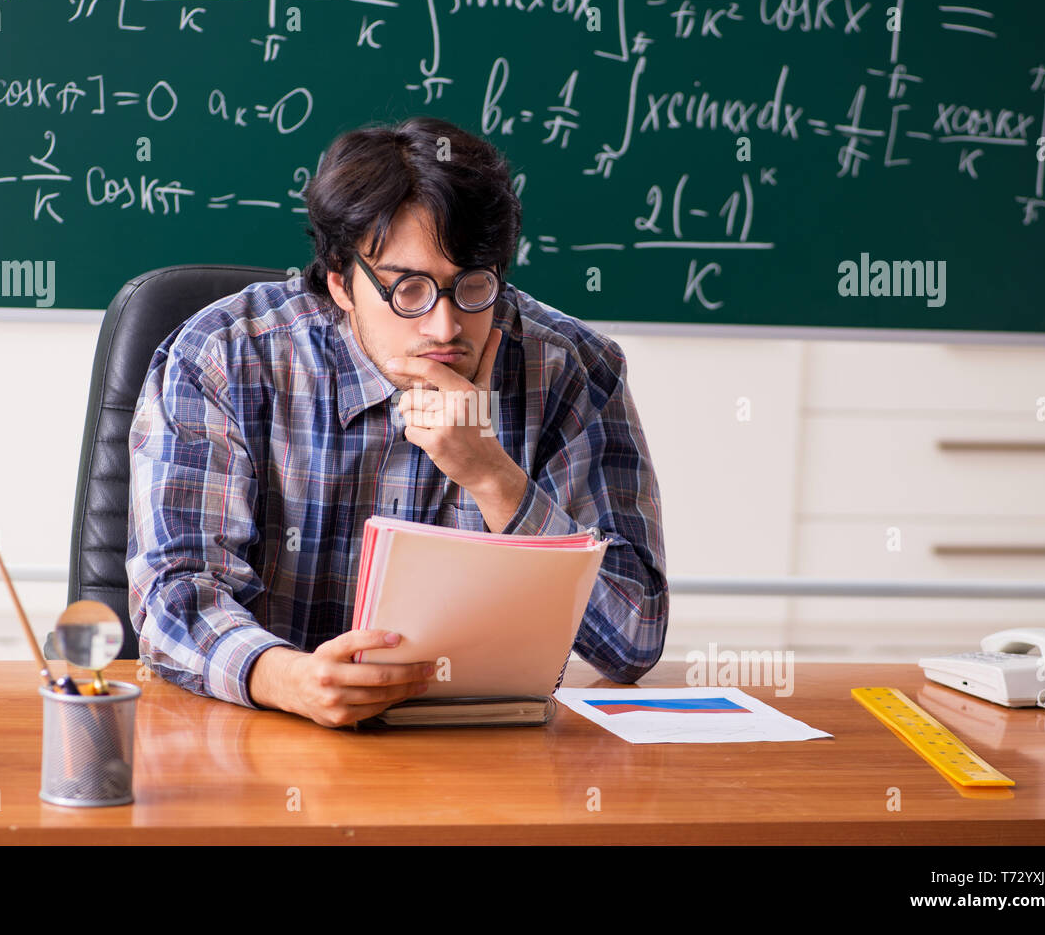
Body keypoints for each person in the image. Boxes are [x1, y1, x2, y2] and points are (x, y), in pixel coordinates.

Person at [127, 116, 668, 728]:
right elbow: (174, 595)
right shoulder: (224, 356)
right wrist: (288, 677)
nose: (443, 327)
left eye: (473, 285)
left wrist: (493, 477)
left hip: (481, 763)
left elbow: (633, 641)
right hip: (265, 737)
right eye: (408, 289)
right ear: (339, 280)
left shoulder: (573, 369)